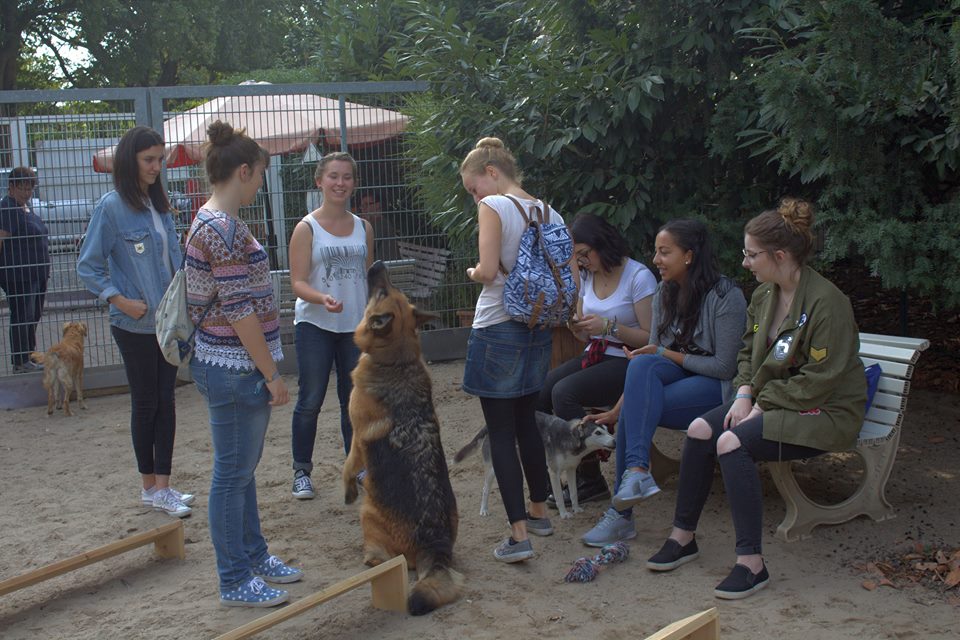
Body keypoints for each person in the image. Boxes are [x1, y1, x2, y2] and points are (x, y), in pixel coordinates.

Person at [645, 198, 866, 600]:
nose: (745, 263)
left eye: (751, 255)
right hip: (776, 398)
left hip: (826, 409)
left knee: (731, 442)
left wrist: (762, 403)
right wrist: (745, 391)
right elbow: (747, 354)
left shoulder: (827, 302)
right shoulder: (765, 295)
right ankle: (683, 537)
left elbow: (821, 378)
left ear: (779, 256)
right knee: (699, 430)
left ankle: (752, 564)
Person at [186, 121, 301, 607]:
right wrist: (271, 374)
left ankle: (253, 555)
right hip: (232, 366)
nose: (259, 184)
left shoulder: (217, 220)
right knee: (232, 474)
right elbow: (238, 310)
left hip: (230, 364)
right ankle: (234, 578)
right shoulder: (223, 228)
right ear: (244, 171)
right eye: (260, 174)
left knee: (241, 470)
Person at [580, 219, 747, 546]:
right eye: (656, 251)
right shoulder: (664, 293)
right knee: (642, 365)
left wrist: (664, 354)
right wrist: (616, 410)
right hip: (678, 380)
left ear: (689, 255)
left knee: (642, 388)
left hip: (717, 388)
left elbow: (725, 367)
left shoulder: (727, 297)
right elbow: (647, 362)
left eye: (664, 252)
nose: (655, 260)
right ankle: (637, 472)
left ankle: (620, 515)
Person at [77, 127, 193, 518]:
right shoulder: (111, 207)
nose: (156, 167)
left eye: (159, 160)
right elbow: (88, 266)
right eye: (149, 160)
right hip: (134, 325)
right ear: (131, 161)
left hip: (167, 322)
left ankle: (164, 485)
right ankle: (150, 487)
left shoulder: (160, 204)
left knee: (166, 401)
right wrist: (120, 300)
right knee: (147, 403)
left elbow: (172, 261)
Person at [460, 137, 560, 563]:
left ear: (492, 172)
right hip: (536, 328)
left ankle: (518, 536)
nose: (475, 197)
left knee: (500, 432)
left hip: (498, 326)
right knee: (526, 424)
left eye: (473, 188)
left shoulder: (494, 206)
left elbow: (487, 271)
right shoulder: (548, 211)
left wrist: (472, 270)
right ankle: (539, 512)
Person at [536, 212, 656, 506]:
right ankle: (550, 471)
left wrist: (610, 327)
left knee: (565, 392)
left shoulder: (638, 277)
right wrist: (576, 327)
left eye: (584, 254)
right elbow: (584, 334)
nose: (580, 262)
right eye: (576, 257)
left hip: (631, 361)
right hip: (596, 355)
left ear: (602, 243)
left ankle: (590, 481)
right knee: (542, 389)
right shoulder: (588, 277)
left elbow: (651, 340)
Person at [288, 152, 374, 500]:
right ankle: (301, 471)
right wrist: (320, 297)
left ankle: (358, 467)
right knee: (310, 399)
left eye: (347, 177)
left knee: (353, 402)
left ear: (354, 183)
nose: (340, 183)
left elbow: (367, 277)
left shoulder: (364, 227)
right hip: (316, 324)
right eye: (334, 176)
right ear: (319, 181)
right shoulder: (306, 228)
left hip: (354, 327)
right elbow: (297, 282)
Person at [0, 167, 50, 373]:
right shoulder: (8, 208)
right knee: (22, 316)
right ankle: (20, 361)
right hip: (19, 275)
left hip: (35, 274)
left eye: (30, 188)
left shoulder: (25, 207)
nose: (27, 193)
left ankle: (30, 355)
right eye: (22, 188)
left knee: (32, 315)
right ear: (11, 187)